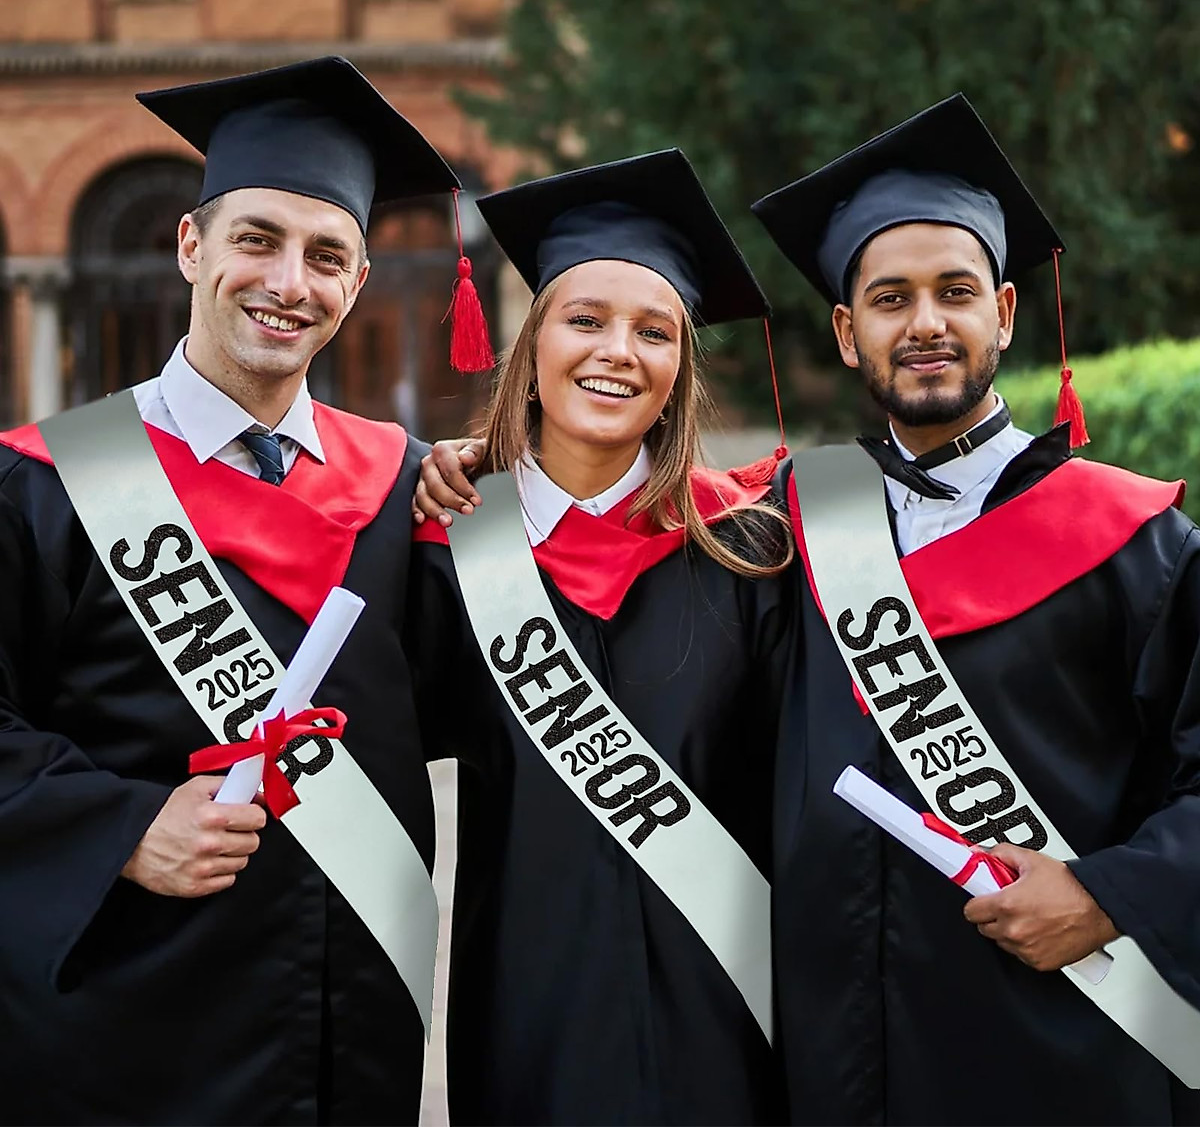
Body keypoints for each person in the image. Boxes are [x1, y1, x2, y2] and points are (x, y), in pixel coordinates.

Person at [0, 56, 465, 1125]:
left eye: (328, 255)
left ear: (355, 281)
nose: (289, 282)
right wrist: (117, 827)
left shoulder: (398, 485)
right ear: (191, 245)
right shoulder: (42, 485)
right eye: (257, 239)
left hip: (346, 1024)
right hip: (125, 1028)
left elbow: (459, 705)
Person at [750, 93, 1200, 1124]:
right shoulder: (787, 529)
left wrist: (1107, 896)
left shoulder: (1137, 544)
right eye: (890, 298)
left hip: (1064, 1055)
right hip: (841, 1062)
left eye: (955, 292)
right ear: (848, 332)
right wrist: (471, 476)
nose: (926, 324)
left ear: (1001, 312)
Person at [408, 149, 794, 1125]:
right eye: (584, 320)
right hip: (528, 1013)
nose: (618, 350)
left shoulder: (751, 556)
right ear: (530, 347)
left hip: (725, 1018)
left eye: (654, 332)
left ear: (679, 370)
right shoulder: (446, 550)